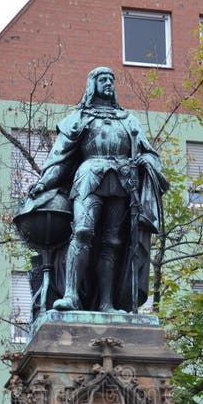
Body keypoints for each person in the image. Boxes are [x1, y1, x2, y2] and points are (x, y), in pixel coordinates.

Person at [25, 67, 169, 313]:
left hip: (124, 184)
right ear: (92, 84)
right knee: (82, 231)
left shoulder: (129, 121)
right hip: (89, 177)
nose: (108, 83)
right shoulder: (79, 118)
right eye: (103, 79)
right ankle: (71, 295)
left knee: (112, 242)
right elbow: (60, 158)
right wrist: (42, 183)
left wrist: (148, 163)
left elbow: (149, 153)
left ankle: (106, 303)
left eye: (111, 80)